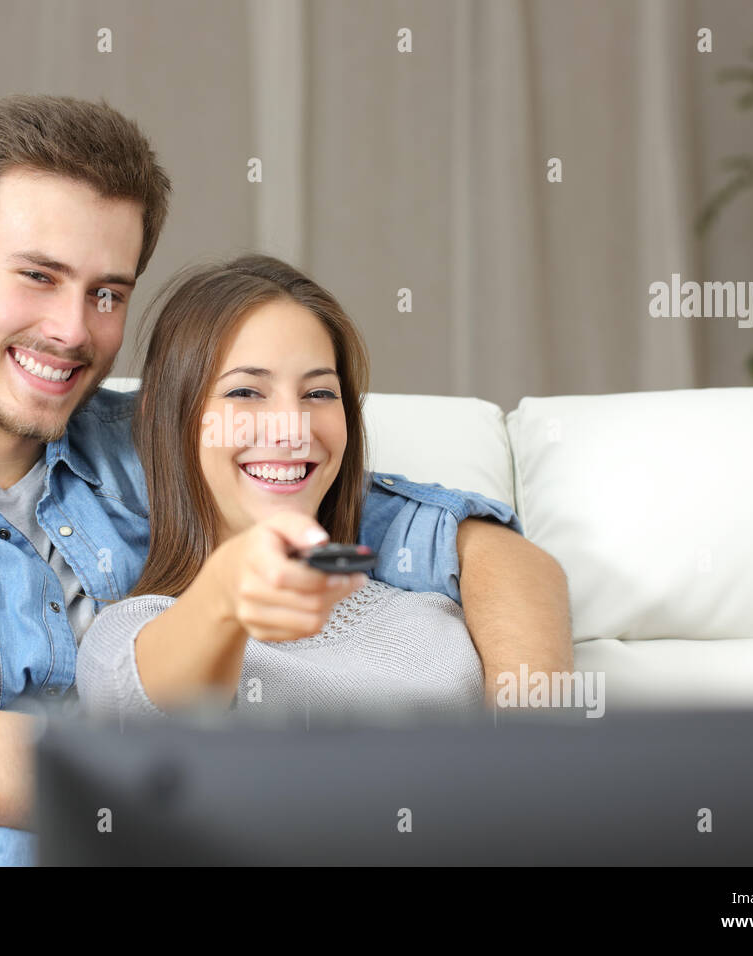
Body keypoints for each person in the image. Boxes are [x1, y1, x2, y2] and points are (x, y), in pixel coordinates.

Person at [0, 94, 573, 866]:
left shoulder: (157, 438)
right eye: (38, 277)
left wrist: (527, 777)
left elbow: (474, 550)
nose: (73, 331)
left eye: (108, 293)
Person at [78, 255, 487, 722]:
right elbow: (134, 705)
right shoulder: (125, 637)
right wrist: (226, 591)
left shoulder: (432, 618)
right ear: (162, 418)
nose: (291, 430)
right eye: (245, 393)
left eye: (318, 394)